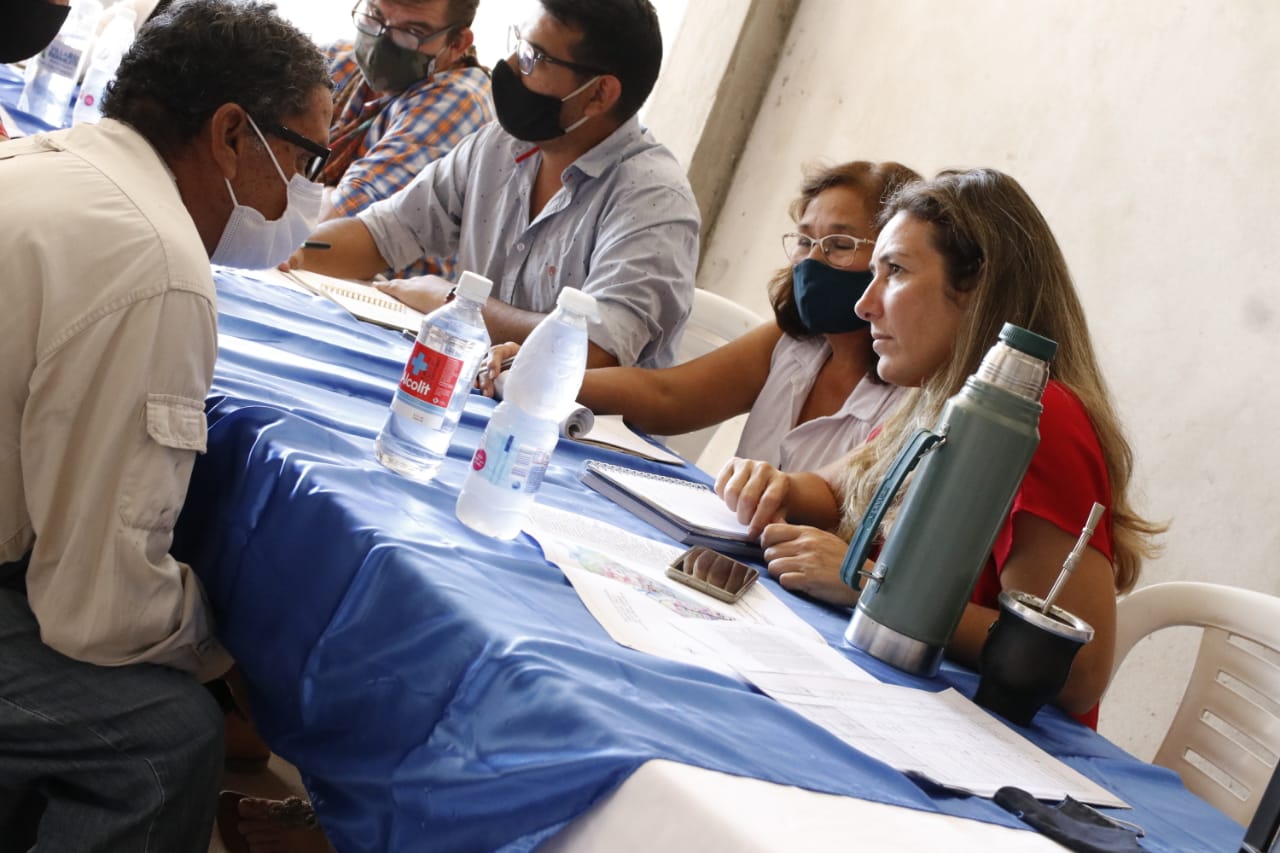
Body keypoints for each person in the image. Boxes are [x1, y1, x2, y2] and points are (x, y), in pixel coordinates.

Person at [0, 0, 332, 848]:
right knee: (166, 733)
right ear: (231, 135)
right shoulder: (158, 265)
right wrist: (228, 651)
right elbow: (98, 609)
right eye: (306, 156)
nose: (309, 193)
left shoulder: (51, 160)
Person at [716, 169, 1164, 726]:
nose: (865, 304)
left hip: (989, 742)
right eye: (872, 273)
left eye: (896, 272)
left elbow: (1078, 671)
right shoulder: (937, 394)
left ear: (978, 291)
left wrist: (870, 585)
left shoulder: (1040, 420)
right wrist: (774, 485)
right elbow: (838, 490)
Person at [294, 0, 699, 370]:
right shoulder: (501, 145)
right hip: (463, 390)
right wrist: (286, 253)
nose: (508, 64)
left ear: (598, 95)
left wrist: (458, 304)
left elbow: (594, 350)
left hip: (567, 437)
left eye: (532, 58)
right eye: (518, 42)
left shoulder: (654, 201)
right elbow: (382, 235)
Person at [481, 160, 919, 471]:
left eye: (840, 246)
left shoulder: (912, 397)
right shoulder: (791, 344)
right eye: (804, 243)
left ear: (892, 264)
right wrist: (544, 369)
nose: (813, 262)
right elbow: (668, 397)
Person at [319, 0, 493, 279]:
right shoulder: (337, 60)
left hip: (376, 308)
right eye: (375, 16)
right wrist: (323, 197)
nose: (381, 41)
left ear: (457, 43)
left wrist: (298, 194)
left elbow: (338, 229)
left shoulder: (458, 100)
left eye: (411, 31)